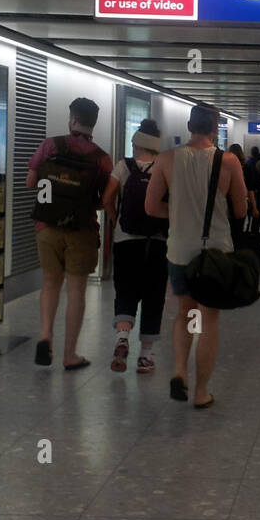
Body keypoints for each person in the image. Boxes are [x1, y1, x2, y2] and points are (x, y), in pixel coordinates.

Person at [145, 103, 247, 409]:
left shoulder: (165, 159)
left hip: (178, 249)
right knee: (209, 319)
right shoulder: (228, 161)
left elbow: (151, 208)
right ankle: (201, 392)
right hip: (215, 252)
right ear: (216, 128)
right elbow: (241, 210)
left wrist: (177, 214)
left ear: (189, 126)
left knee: (185, 314)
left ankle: (179, 372)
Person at [27, 97, 113, 370]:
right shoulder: (101, 158)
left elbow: (31, 183)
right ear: (93, 123)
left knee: (50, 283)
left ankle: (45, 336)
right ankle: (69, 355)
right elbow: (104, 200)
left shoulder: (50, 145)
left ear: (73, 118)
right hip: (81, 230)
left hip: (46, 227)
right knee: (76, 290)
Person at [101, 118, 168, 374]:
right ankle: (146, 357)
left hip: (126, 241)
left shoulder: (124, 166)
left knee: (126, 292)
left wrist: (117, 221)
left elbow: (107, 199)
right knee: (153, 297)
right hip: (158, 242)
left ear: (136, 142)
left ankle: (122, 339)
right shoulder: (164, 168)